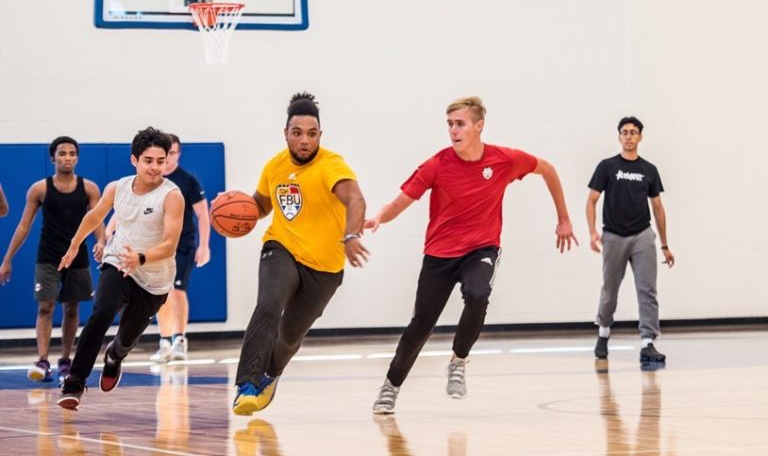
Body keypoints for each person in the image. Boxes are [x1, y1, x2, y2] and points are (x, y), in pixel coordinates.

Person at [367, 96, 578, 415]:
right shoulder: (436, 165)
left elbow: (547, 169)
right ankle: (391, 386)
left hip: (481, 248)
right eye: (450, 124)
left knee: (478, 294)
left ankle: (458, 360)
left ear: (479, 126)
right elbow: (400, 201)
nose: (453, 130)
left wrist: (563, 218)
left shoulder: (504, 159)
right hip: (439, 255)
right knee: (421, 326)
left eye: (460, 124)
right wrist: (379, 218)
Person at [231, 92, 369, 416]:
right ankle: (246, 385)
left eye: (311, 133)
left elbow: (356, 200)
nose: (304, 140)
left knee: (290, 335)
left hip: (324, 267)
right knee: (268, 305)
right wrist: (234, 207)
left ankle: (270, 375)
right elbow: (261, 206)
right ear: (286, 134)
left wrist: (351, 235)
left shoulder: (332, 165)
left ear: (320, 134)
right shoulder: (274, 166)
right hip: (282, 247)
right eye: (297, 133)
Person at [57, 127, 184, 410]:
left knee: (126, 338)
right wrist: (75, 244)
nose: (155, 167)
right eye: (148, 161)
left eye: (160, 161)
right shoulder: (118, 187)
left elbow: (170, 245)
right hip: (118, 263)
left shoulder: (171, 195)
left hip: (153, 278)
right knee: (102, 312)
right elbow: (94, 216)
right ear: (134, 160)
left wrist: (141, 257)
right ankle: (75, 381)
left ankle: (114, 356)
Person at [0, 137, 105, 384]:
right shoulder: (39, 189)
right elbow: (24, 226)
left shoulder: (89, 188)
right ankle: (42, 360)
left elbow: (96, 219)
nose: (67, 158)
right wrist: (7, 259)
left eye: (72, 153)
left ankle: (65, 361)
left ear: (77, 158)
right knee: (45, 306)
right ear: (53, 158)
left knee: (71, 308)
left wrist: (101, 241)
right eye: (62, 153)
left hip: (77, 256)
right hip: (47, 256)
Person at [587, 116, 674, 364]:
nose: (628, 136)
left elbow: (658, 208)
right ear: (619, 137)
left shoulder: (649, 170)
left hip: (642, 235)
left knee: (647, 289)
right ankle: (603, 332)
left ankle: (648, 342)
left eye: (633, 132)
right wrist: (592, 232)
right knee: (610, 289)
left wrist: (665, 245)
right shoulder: (607, 166)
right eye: (624, 132)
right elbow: (591, 201)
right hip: (613, 235)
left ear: (640, 137)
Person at [148, 134, 210, 362]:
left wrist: (204, 245)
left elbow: (203, 214)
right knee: (161, 294)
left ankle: (179, 340)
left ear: (179, 154)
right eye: (167, 153)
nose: (169, 158)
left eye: (173, 153)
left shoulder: (188, 181)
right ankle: (164, 342)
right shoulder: (151, 179)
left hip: (183, 244)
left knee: (177, 291)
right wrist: (110, 228)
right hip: (157, 245)